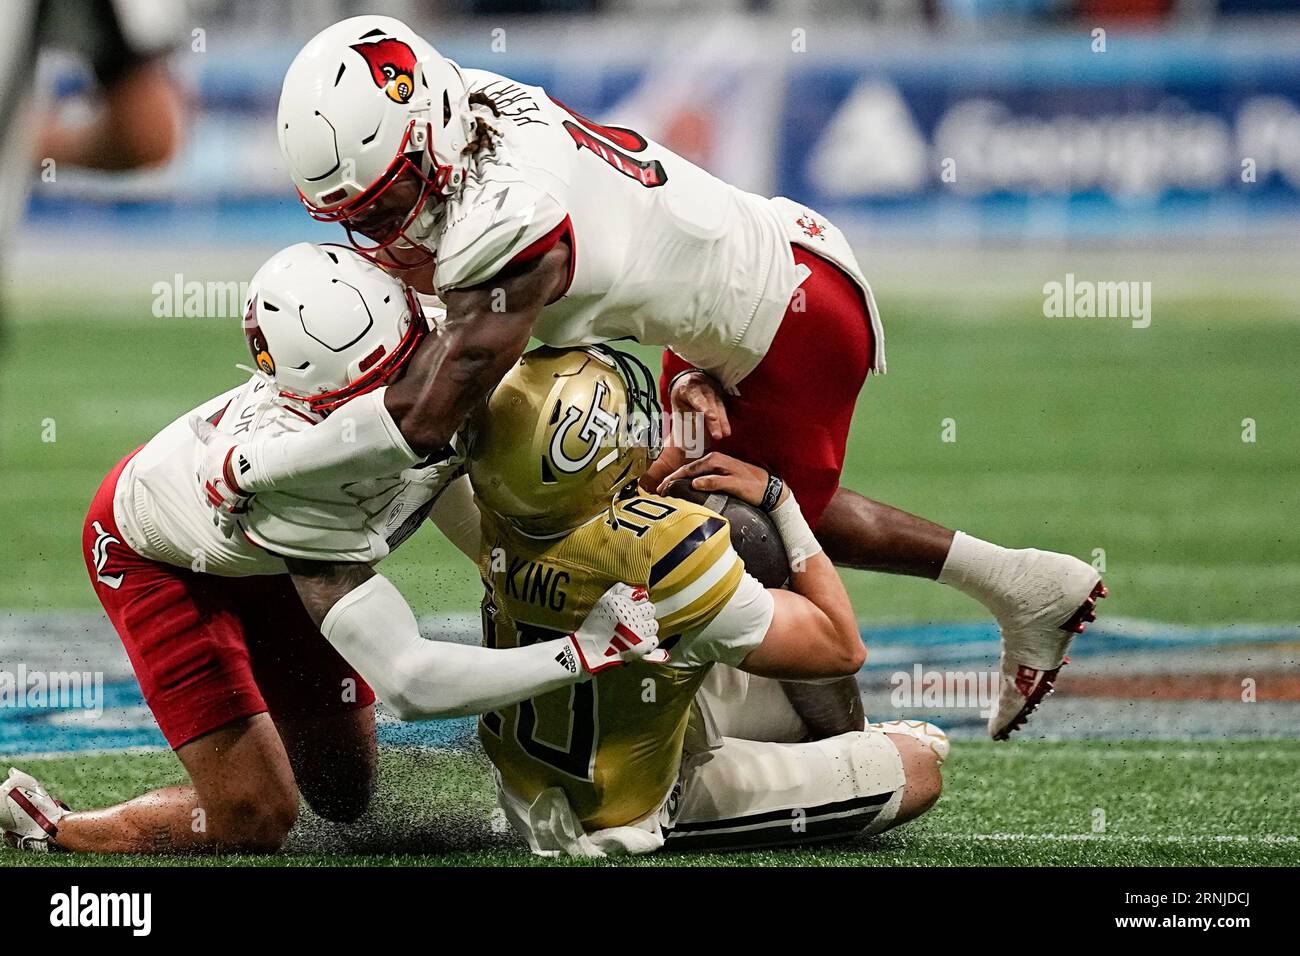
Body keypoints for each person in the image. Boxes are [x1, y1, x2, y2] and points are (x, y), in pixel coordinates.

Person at [192, 15, 1105, 739]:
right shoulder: (466, 110)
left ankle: (855, 749)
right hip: (718, 287)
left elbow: (429, 419)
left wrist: (261, 469)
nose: (382, 231)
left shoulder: (509, 222)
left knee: (738, 526)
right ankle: (1020, 583)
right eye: (355, 212)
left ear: (425, 128)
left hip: (786, 316)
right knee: (673, 487)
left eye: (387, 198)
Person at [0, 244, 662, 855]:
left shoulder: (428, 336)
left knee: (343, 795)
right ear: (316, 403)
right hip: (161, 558)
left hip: (273, 543)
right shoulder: (296, 501)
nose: (410, 395)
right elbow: (410, 680)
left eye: (408, 363)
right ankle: (56, 828)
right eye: (375, 390)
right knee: (252, 818)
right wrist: (579, 651)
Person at [463, 344, 946, 856]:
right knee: (918, 764)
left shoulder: (499, 503)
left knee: (722, 660)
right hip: (617, 812)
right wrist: (780, 500)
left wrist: (679, 445)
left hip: (530, 780)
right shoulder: (671, 551)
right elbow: (840, 647)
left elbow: (589, 508)